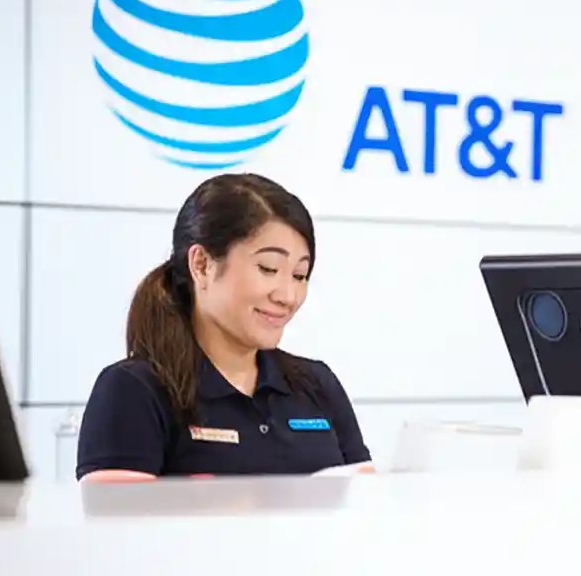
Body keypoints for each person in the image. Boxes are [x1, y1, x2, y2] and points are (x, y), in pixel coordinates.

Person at [77, 173, 371, 481]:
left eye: (299, 275)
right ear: (201, 265)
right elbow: (114, 524)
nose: (287, 296)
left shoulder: (317, 384)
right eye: (268, 269)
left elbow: (367, 508)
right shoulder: (135, 389)